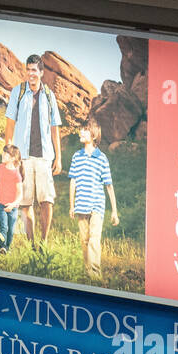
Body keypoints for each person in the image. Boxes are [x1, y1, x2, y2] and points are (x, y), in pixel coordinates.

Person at [2, 54, 63, 250]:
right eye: (28, 70)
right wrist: (8, 155)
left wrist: (58, 158)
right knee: (25, 203)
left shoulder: (49, 96)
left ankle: (43, 243)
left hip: (45, 157)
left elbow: (55, 128)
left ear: (41, 73)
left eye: (34, 70)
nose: (31, 74)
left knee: (47, 201)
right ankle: (32, 246)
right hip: (24, 158)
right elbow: (10, 124)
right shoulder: (17, 93)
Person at [68, 119, 119, 281]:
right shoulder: (77, 156)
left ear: (94, 134)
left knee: (94, 239)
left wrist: (115, 212)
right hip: (81, 206)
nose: (80, 133)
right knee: (84, 240)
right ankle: (87, 272)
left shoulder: (102, 158)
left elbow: (109, 186)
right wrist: (71, 205)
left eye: (85, 130)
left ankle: (95, 275)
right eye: (80, 130)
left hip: (97, 205)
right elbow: (73, 181)